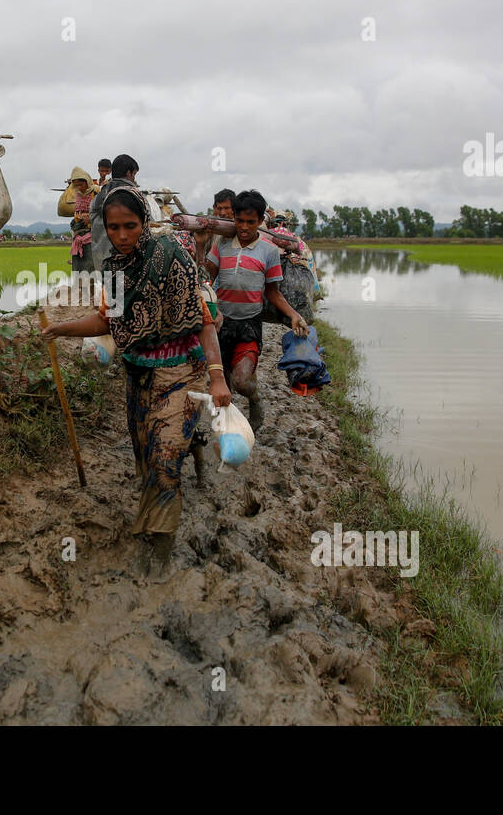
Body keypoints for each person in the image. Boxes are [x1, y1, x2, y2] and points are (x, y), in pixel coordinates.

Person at [42, 185, 231, 582]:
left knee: (164, 461)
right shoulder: (112, 269)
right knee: (145, 457)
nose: (122, 235)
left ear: (144, 222)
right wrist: (63, 328)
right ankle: (154, 521)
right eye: (114, 228)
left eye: (130, 225)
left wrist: (217, 378)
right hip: (138, 373)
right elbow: (107, 323)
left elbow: (205, 322)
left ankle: (160, 551)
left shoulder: (172, 258)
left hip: (180, 371)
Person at [203, 190, 310, 431]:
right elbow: (207, 279)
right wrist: (201, 244)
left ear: (261, 221)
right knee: (225, 382)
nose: (244, 227)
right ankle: (230, 431)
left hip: (249, 325)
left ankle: (254, 398)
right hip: (222, 324)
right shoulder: (222, 245)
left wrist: (294, 315)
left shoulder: (269, 251)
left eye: (250, 222)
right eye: (239, 221)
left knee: (242, 382)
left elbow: (273, 293)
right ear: (234, 219)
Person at [89, 153, 141, 270]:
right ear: (128, 173)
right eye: (134, 174)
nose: (134, 179)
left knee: (108, 287)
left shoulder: (100, 195)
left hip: (102, 260)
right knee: (120, 287)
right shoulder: (132, 195)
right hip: (127, 261)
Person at [57, 167, 97, 273]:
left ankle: (92, 287)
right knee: (77, 267)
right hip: (79, 233)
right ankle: (79, 288)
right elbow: (76, 211)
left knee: (90, 266)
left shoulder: (96, 192)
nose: (79, 188)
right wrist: (78, 217)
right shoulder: (78, 195)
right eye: (76, 186)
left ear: (87, 181)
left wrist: (91, 218)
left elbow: (104, 211)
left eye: (81, 184)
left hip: (92, 235)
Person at [191, 188, 236, 277]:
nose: (222, 213)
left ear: (235, 208)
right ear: (215, 208)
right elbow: (203, 268)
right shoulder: (212, 229)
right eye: (219, 208)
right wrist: (200, 244)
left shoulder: (243, 229)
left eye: (227, 208)